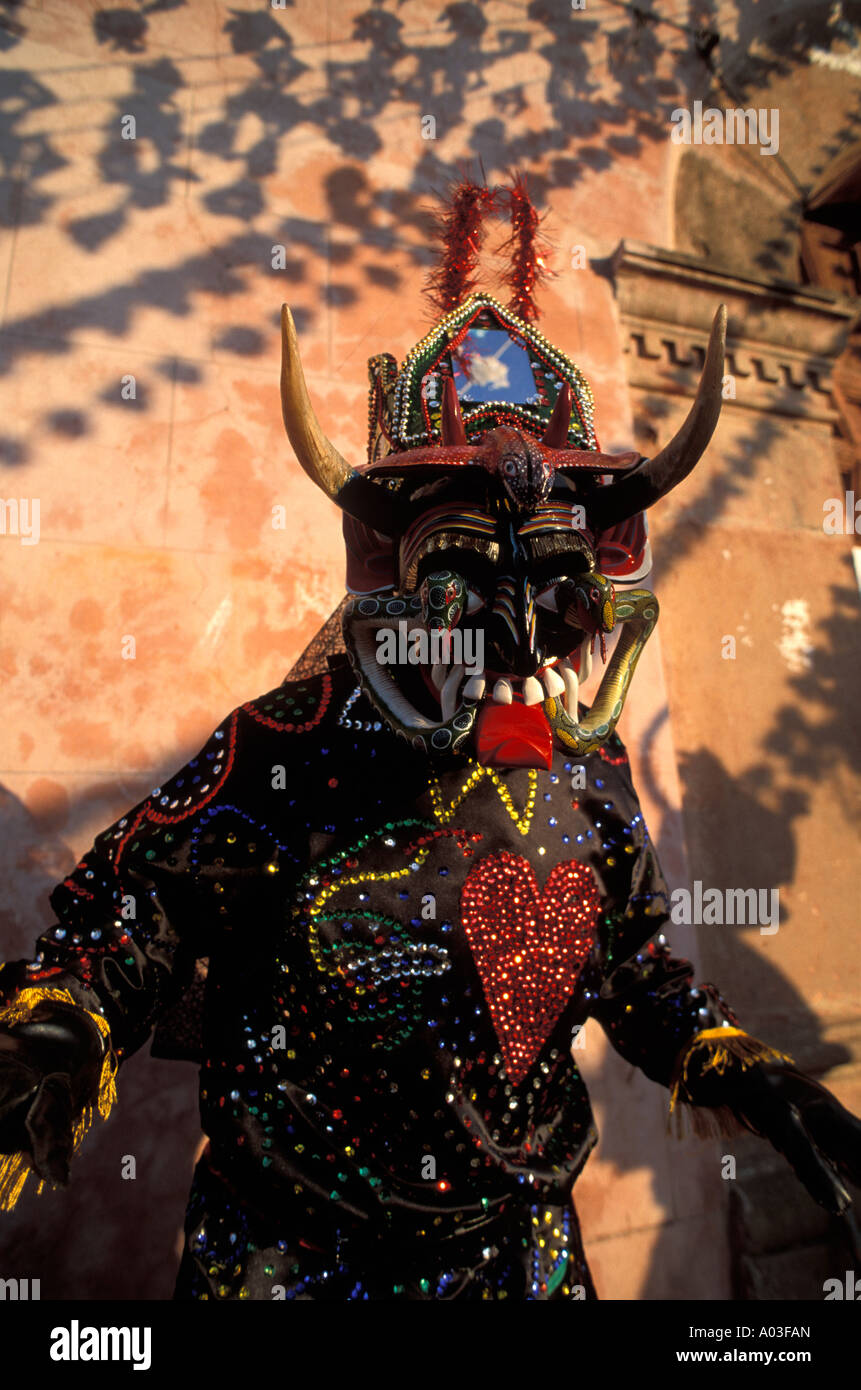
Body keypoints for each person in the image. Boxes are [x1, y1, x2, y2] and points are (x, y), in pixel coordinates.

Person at [1, 186, 858, 1300]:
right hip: (290, 1260)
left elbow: (630, 962)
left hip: (524, 1257)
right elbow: (132, 916)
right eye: (463, 564)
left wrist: (726, 1056)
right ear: (382, 564)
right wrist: (61, 1034)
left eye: (549, 571)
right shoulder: (284, 747)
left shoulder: (587, 768)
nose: (514, 616)